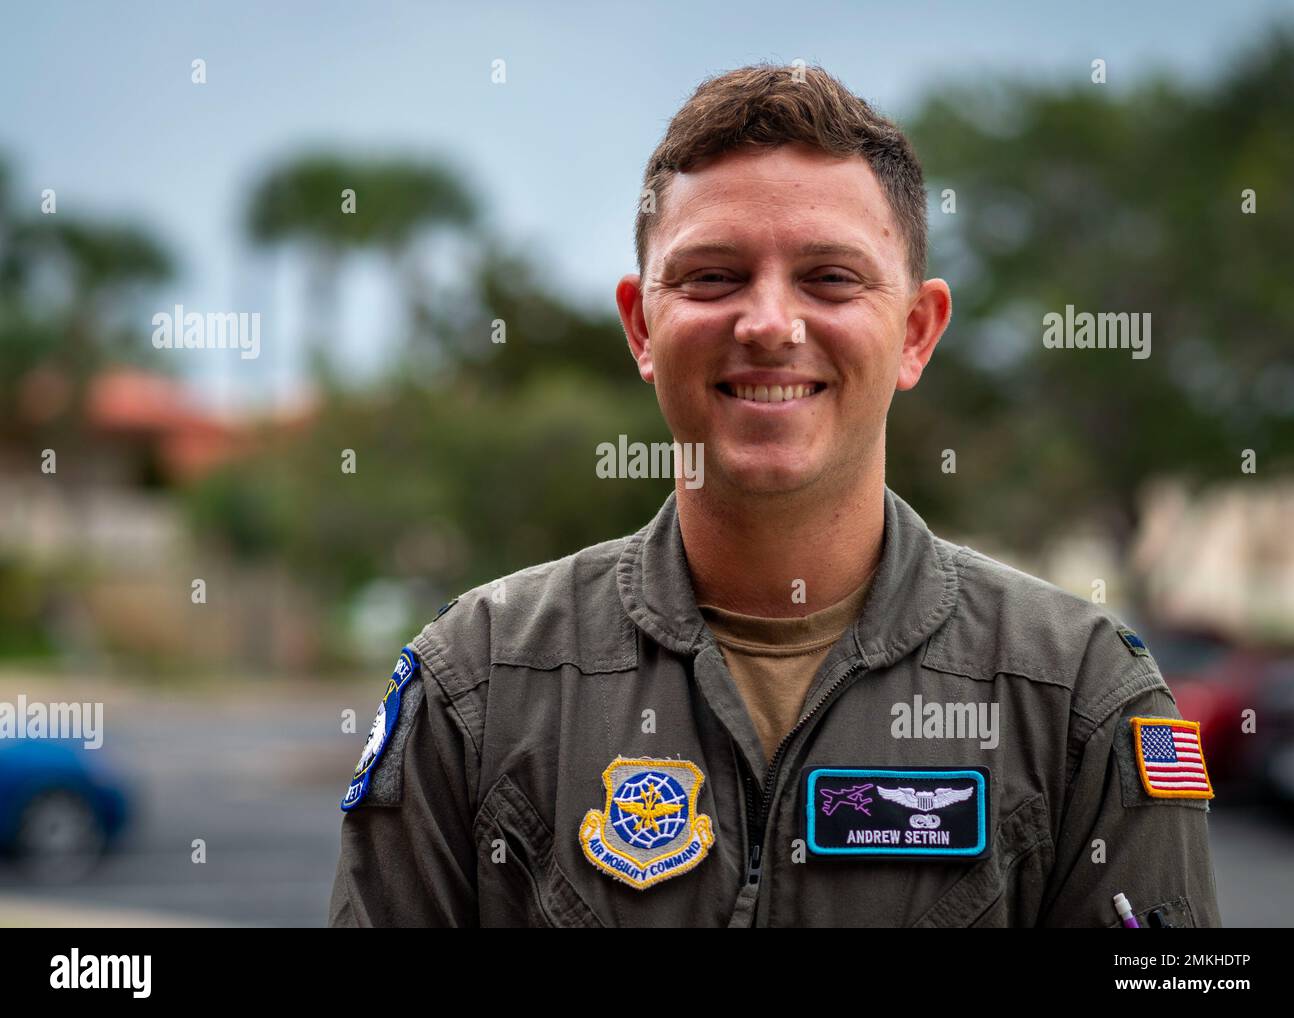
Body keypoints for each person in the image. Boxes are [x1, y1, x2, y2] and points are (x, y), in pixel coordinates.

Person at [328, 63, 1220, 927]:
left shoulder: (1081, 698)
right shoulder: (477, 683)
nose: (767, 324)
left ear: (916, 332)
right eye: (712, 276)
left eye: (830, 278)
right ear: (642, 327)